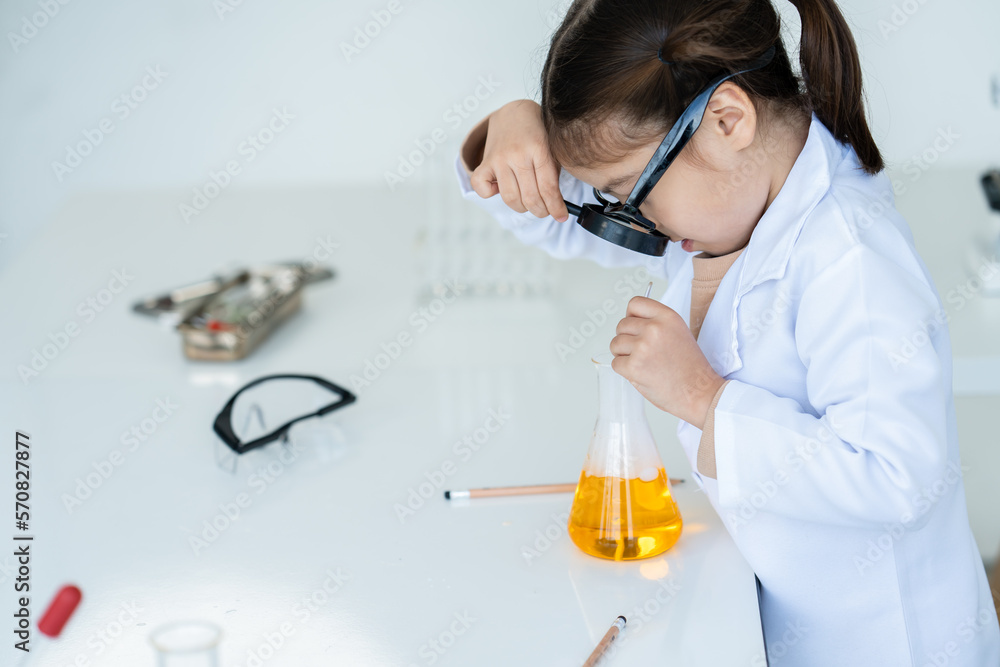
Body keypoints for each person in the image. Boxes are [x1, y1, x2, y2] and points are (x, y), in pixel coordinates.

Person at [454, 0, 1000, 664]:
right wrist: (512, 129)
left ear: (727, 120)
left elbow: (896, 476)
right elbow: (556, 214)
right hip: (781, 607)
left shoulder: (850, 256)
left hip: (884, 640)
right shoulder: (730, 198)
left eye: (631, 191)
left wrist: (703, 399)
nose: (630, 217)